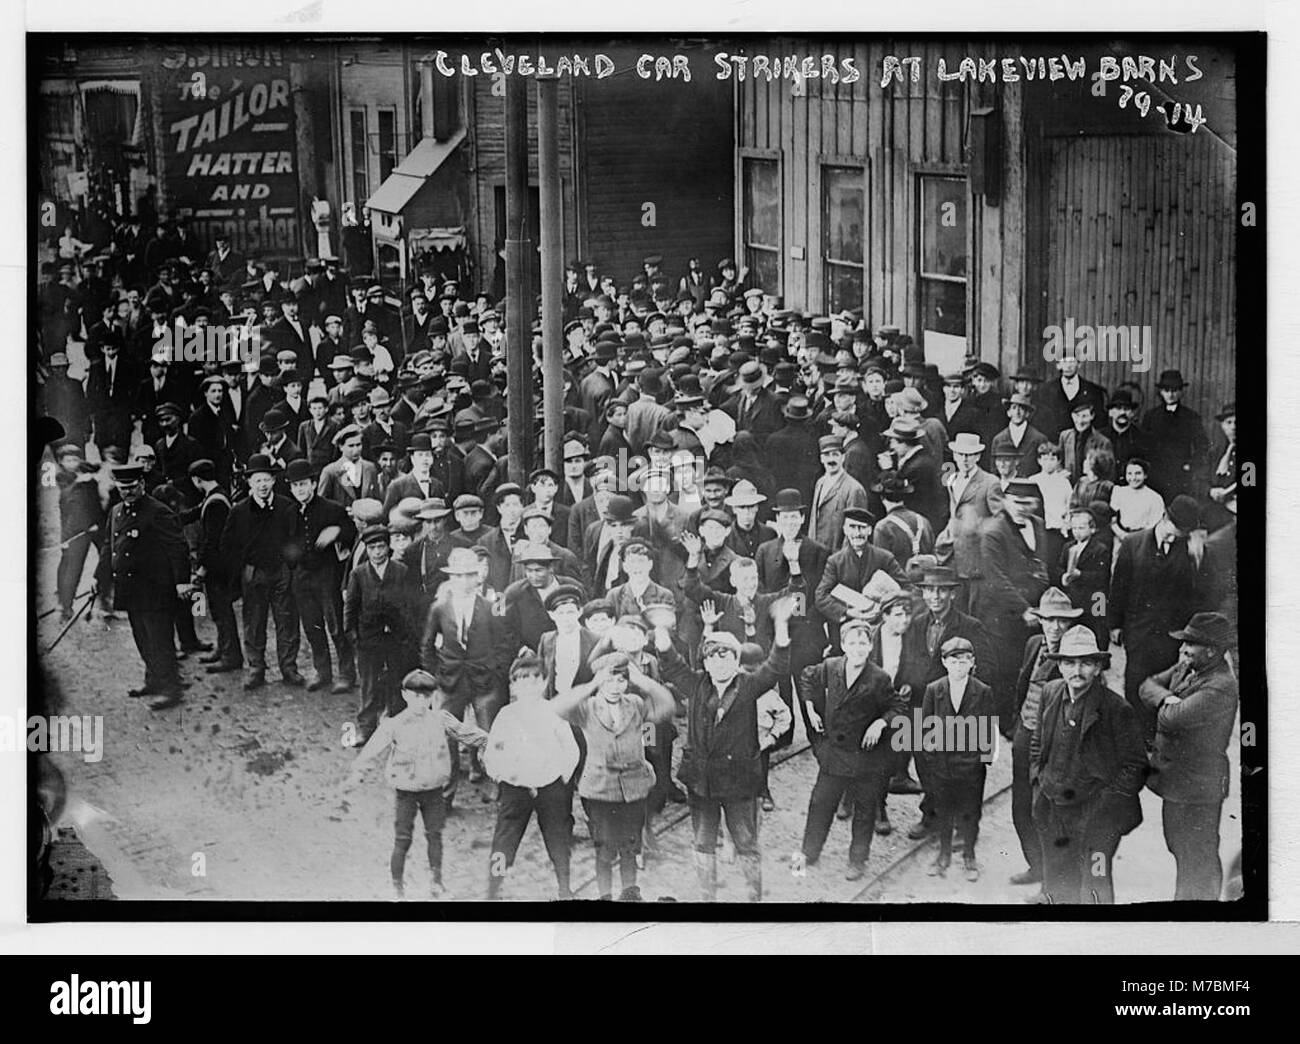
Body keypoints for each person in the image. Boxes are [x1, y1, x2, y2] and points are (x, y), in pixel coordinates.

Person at [655, 597, 795, 902]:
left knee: (745, 840)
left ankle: (752, 894)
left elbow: (777, 664)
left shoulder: (749, 685)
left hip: (739, 782)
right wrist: (660, 628)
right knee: (703, 841)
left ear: (736, 661)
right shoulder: (695, 685)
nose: (719, 663)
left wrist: (781, 623)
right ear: (705, 662)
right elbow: (669, 661)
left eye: (726, 657)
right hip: (701, 782)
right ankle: (708, 896)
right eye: (713, 657)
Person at [344, 668, 488, 899]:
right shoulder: (394, 724)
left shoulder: (441, 719)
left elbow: (467, 734)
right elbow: (371, 750)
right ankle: (397, 887)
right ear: (405, 695)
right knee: (403, 839)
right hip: (406, 792)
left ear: (433, 697)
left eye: (426, 696)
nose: (421, 701)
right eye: (415, 696)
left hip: (433, 791)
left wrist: (492, 740)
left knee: (435, 835)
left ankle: (436, 880)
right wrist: (356, 773)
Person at [1032, 625, 1147, 904]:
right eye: (1069, 662)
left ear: (1098, 667)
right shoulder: (1050, 694)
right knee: (1057, 882)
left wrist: (1102, 806)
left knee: (1094, 885)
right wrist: (1040, 781)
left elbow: (1136, 766)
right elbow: (1037, 744)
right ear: (1059, 665)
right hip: (1054, 808)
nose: (1077, 670)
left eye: (1085, 662)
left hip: (1096, 816)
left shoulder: (1115, 709)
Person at [552, 651, 676, 901]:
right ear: (600, 682)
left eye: (620, 680)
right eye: (609, 681)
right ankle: (605, 896)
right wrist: (591, 685)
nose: (615, 687)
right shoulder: (587, 708)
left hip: (634, 787)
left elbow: (667, 706)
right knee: (605, 849)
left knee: (630, 847)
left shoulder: (636, 704)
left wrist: (643, 681)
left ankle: (630, 894)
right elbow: (558, 707)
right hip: (599, 789)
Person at [794, 617, 906, 881]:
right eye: (852, 643)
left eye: (863, 643)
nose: (857, 648)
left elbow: (898, 707)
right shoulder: (831, 667)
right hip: (834, 755)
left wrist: (880, 723)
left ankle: (858, 860)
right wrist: (810, 707)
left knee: (865, 811)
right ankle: (808, 852)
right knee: (820, 804)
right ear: (843, 645)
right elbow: (806, 677)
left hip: (866, 758)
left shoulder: (879, 678)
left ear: (869, 647)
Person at [1139, 612, 1239, 901]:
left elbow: (1172, 719)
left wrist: (1167, 702)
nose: (1182, 649)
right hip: (1176, 783)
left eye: (1189, 644)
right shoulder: (1189, 667)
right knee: (1180, 849)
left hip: (1199, 789)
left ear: (1211, 650)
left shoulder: (1221, 685)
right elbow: (1147, 685)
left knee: (1197, 858)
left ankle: (1197, 915)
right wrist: (1167, 698)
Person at [1109, 494, 1211, 739]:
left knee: (1162, 684)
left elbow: (1195, 595)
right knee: (1135, 683)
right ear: (1165, 517)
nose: (1176, 536)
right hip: (1138, 631)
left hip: (1170, 634)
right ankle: (1133, 736)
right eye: (1175, 529)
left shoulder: (1190, 551)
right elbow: (1118, 586)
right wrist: (1114, 624)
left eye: (1183, 533)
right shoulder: (1133, 543)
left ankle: (1155, 734)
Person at [484, 652, 582, 900]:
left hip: (550, 786)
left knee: (558, 839)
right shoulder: (506, 715)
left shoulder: (554, 711)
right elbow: (493, 750)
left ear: (544, 682)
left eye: (534, 680)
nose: (528, 686)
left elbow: (571, 749)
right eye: (521, 680)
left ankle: (564, 886)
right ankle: (493, 889)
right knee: (504, 841)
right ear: (513, 685)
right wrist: (500, 775)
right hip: (515, 787)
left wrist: (561, 778)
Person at [419, 546, 506, 804]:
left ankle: (497, 786)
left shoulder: (492, 607)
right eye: (457, 576)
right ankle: (446, 795)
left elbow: (504, 644)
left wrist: (495, 672)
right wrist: (436, 676)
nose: (463, 581)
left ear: (478, 577)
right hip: (449, 681)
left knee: (488, 735)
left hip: (484, 682)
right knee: (445, 738)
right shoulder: (439, 608)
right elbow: (426, 646)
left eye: (469, 575)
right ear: (450, 578)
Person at [1008, 588, 1077, 896]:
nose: (1055, 627)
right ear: (1040, 621)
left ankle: (1053, 886)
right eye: (1049, 620)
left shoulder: (1075, 657)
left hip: (1051, 745)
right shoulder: (1033, 644)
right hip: (1025, 732)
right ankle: (1036, 865)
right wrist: (1016, 726)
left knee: (1047, 812)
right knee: (1021, 806)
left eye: (1061, 621)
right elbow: (1022, 686)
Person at [106, 462, 191, 710]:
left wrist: (182, 581)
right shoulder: (116, 512)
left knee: (160, 641)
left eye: (132, 487)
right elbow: (107, 547)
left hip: (155, 590)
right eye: (123, 489)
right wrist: (98, 579)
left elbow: (178, 547)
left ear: (142, 484)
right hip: (130, 590)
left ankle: (171, 689)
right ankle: (153, 680)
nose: (128, 493)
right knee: (142, 638)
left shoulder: (157, 511)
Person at [220, 454, 304, 690]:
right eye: (258, 481)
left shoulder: (286, 506)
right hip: (254, 573)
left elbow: (296, 539)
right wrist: (242, 569)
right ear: (250, 483)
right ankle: (256, 668)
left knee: (286, 619)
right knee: (254, 622)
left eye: (267, 480)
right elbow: (227, 545)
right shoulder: (239, 511)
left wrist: (289, 564)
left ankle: (289, 667)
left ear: (274, 481)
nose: (263, 485)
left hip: (281, 571)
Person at [920, 636, 996, 882]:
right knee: (943, 811)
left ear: (972, 662)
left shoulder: (982, 691)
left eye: (965, 661)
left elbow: (988, 728)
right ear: (944, 662)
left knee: (971, 811)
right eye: (954, 661)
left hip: (971, 767)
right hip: (942, 766)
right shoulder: (934, 690)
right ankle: (943, 854)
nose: (959, 666)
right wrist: (932, 760)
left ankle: (969, 855)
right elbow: (925, 728)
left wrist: (981, 760)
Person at [285, 458, 356, 692]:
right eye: (295, 486)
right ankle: (322, 672)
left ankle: (346, 674)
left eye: (303, 484)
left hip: (327, 576)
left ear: (314, 484)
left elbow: (351, 534)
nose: (300, 490)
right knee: (312, 626)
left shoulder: (331, 509)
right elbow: (284, 545)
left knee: (336, 625)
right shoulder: (289, 512)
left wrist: (337, 531)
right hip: (302, 577)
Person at [344, 525, 419, 746]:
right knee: (369, 684)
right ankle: (366, 728)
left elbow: (410, 605)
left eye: (381, 546)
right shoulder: (358, 574)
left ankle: (396, 727)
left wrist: (408, 636)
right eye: (372, 547)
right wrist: (354, 637)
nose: (377, 552)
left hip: (396, 638)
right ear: (366, 549)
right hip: (369, 639)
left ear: (388, 547)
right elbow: (351, 607)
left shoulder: (401, 571)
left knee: (397, 682)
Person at [188, 459, 242, 676]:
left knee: (222, 612)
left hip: (218, 569)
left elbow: (213, 541)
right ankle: (223, 649)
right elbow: (195, 512)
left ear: (197, 479)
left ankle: (231, 656)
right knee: (218, 612)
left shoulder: (216, 502)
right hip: (220, 567)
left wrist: (202, 569)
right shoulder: (216, 495)